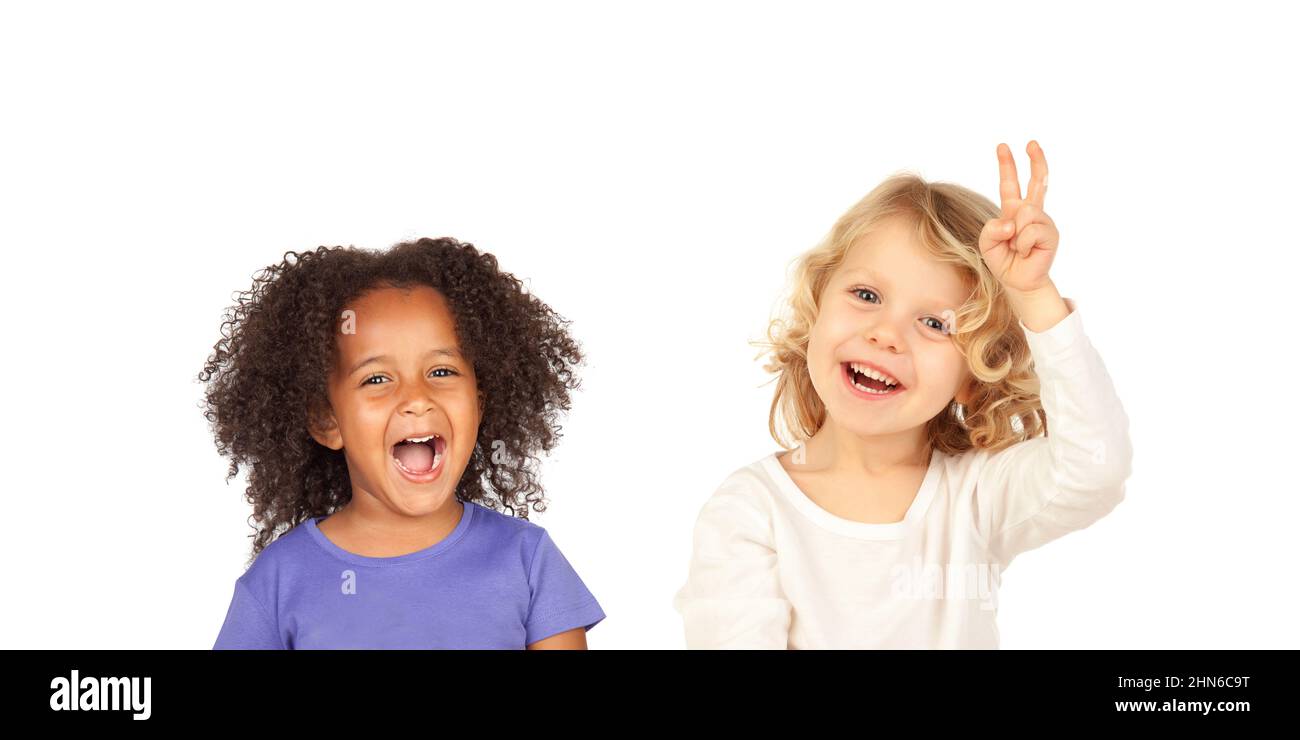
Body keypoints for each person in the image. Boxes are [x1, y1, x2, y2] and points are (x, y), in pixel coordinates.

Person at [673, 142, 1133, 648]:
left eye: (935, 323)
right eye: (866, 296)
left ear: (974, 372)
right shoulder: (751, 511)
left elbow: (1096, 468)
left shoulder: (976, 498)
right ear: (817, 304)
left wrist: (1033, 296)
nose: (886, 334)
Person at [203, 237, 604, 648]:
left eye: (442, 371)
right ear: (327, 420)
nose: (416, 398)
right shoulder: (279, 581)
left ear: (479, 403)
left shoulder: (527, 561)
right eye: (376, 379)